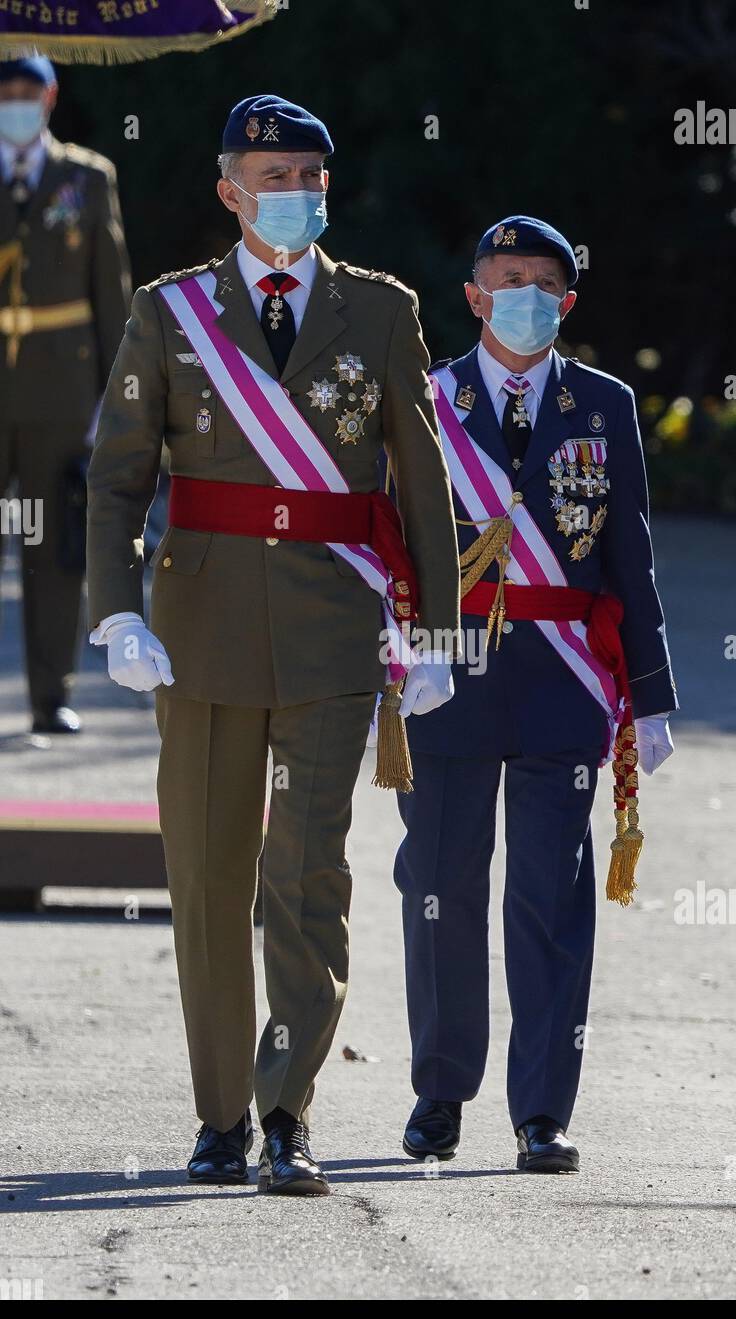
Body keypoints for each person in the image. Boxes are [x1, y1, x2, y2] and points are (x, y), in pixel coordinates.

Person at [86, 95, 460, 1196]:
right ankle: (217, 1117)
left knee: (304, 880)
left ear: (325, 188)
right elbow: (117, 477)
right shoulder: (170, 313)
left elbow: (423, 484)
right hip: (197, 632)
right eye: (268, 175)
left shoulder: (380, 311)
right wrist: (115, 612)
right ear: (226, 190)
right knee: (206, 877)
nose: (289, 193)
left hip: (332, 632)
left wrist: (432, 630)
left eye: (307, 175)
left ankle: (286, 1110)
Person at [394, 216, 677, 1174]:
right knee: (438, 887)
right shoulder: (426, 398)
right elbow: (393, 551)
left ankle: (543, 1111)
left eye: (542, 281)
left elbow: (630, 557)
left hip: (563, 678)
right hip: (452, 671)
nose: (524, 294)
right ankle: (440, 1092)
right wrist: (405, 659)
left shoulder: (604, 404)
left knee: (551, 898)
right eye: (504, 278)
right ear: (472, 297)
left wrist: (652, 693)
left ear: (567, 299)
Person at [0, 54, 130, 734]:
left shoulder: (86, 176)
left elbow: (110, 293)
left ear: (50, 96)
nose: (16, 103)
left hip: (62, 389)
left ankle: (51, 696)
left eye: (27, 92)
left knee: (53, 545)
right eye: (6, 94)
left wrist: (117, 396)